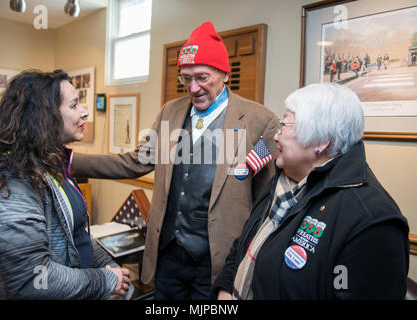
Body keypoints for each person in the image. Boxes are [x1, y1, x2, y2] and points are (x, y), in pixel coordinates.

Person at [71, 21, 279, 300]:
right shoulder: (171, 112)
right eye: (186, 78)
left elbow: (267, 197)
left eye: (202, 77)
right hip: (169, 256)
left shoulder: (260, 121)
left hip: (216, 262)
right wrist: (69, 160)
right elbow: (135, 162)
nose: (193, 88)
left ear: (224, 73)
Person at [212, 83, 409, 300]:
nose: (276, 136)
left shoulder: (372, 221)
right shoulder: (283, 180)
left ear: (321, 141)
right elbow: (243, 244)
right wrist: (225, 292)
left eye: (285, 124)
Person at [0, 70, 131, 299]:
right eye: (74, 106)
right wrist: (103, 280)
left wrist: (108, 265)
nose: (84, 112)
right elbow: (33, 280)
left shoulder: (49, 162)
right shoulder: (8, 179)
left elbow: (73, 233)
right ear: (44, 116)